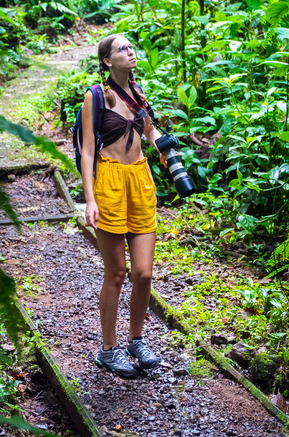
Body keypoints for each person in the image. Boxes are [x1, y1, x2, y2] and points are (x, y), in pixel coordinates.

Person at [80, 33, 167, 378]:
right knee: (116, 273)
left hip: (141, 180)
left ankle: (136, 340)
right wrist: (90, 199)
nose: (131, 52)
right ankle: (108, 349)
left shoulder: (138, 93)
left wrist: (164, 145)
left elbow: (150, 133)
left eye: (132, 47)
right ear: (106, 61)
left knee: (144, 273)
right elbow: (88, 151)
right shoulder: (96, 97)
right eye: (122, 49)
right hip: (110, 183)